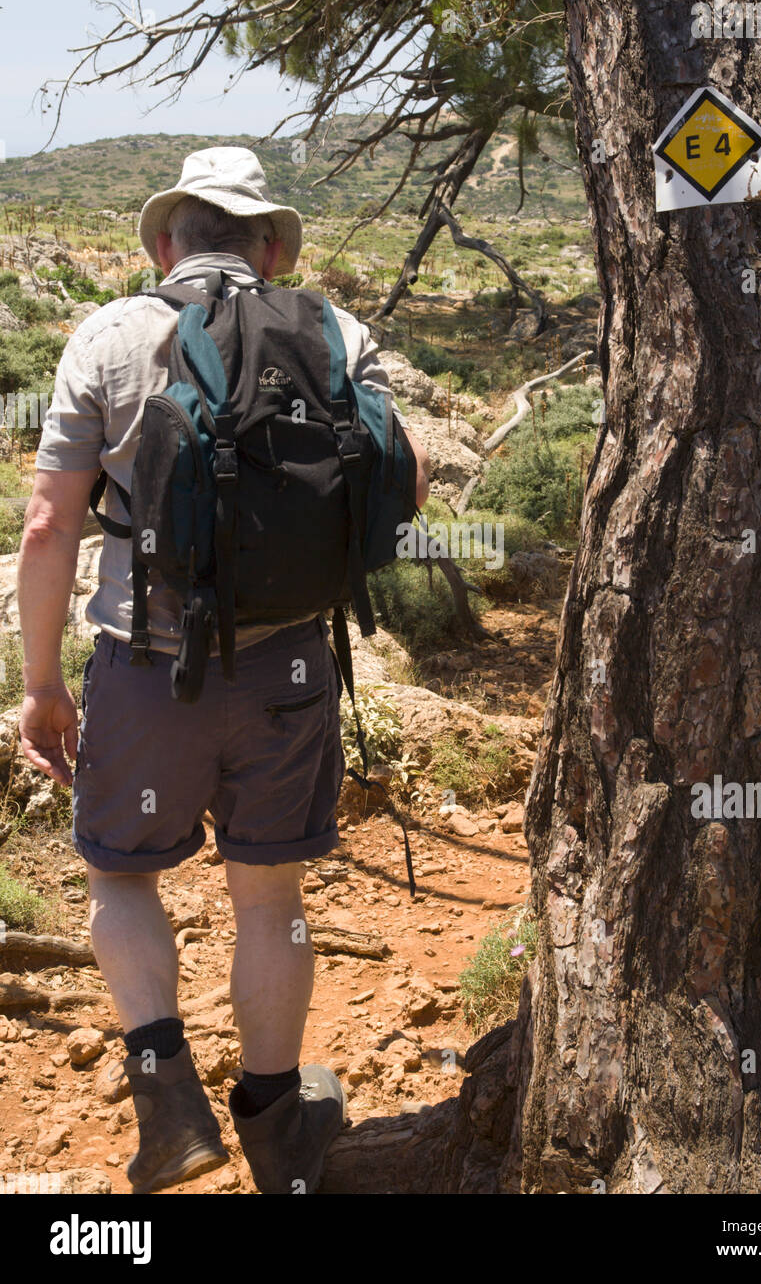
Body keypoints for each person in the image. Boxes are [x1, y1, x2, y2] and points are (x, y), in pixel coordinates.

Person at [16, 147, 430, 1195]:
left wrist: (42, 687)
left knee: (120, 872)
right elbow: (409, 479)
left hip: (147, 673)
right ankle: (278, 1118)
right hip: (291, 664)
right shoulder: (333, 330)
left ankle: (169, 1110)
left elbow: (48, 523)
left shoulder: (110, 332)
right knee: (269, 897)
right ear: (270, 245)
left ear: (166, 243)